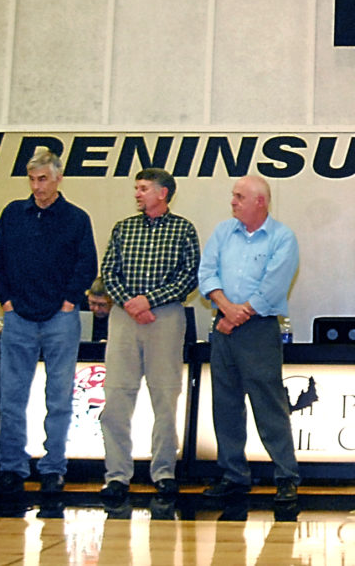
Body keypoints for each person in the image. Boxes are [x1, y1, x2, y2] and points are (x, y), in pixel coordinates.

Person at [0, 148, 97, 497]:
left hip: (60, 318)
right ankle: (11, 468)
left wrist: (68, 302)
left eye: (43, 179)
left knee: (59, 398)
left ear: (58, 178)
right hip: (18, 318)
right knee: (12, 398)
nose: (37, 186)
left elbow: (85, 266)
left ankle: (53, 468)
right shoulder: (13, 214)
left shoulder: (76, 218)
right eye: (31, 180)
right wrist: (6, 302)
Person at [98, 168, 200, 502]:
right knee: (116, 397)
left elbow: (189, 277)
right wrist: (130, 303)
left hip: (166, 317)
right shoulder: (123, 228)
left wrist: (149, 300)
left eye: (144, 189)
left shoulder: (183, 229)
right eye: (137, 188)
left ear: (163, 193)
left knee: (166, 398)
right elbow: (108, 271)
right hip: (124, 317)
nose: (137, 194)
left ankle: (164, 472)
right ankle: (116, 475)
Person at [198, 176, 300, 503]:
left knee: (268, 404)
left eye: (239, 196)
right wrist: (226, 311)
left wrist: (238, 315)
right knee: (225, 404)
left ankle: (285, 476)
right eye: (233, 196)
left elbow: (274, 284)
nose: (233, 201)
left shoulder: (282, 238)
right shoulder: (222, 233)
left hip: (259, 330)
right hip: (224, 327)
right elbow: (207, 273)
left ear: (260, 202)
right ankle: (234, 475)